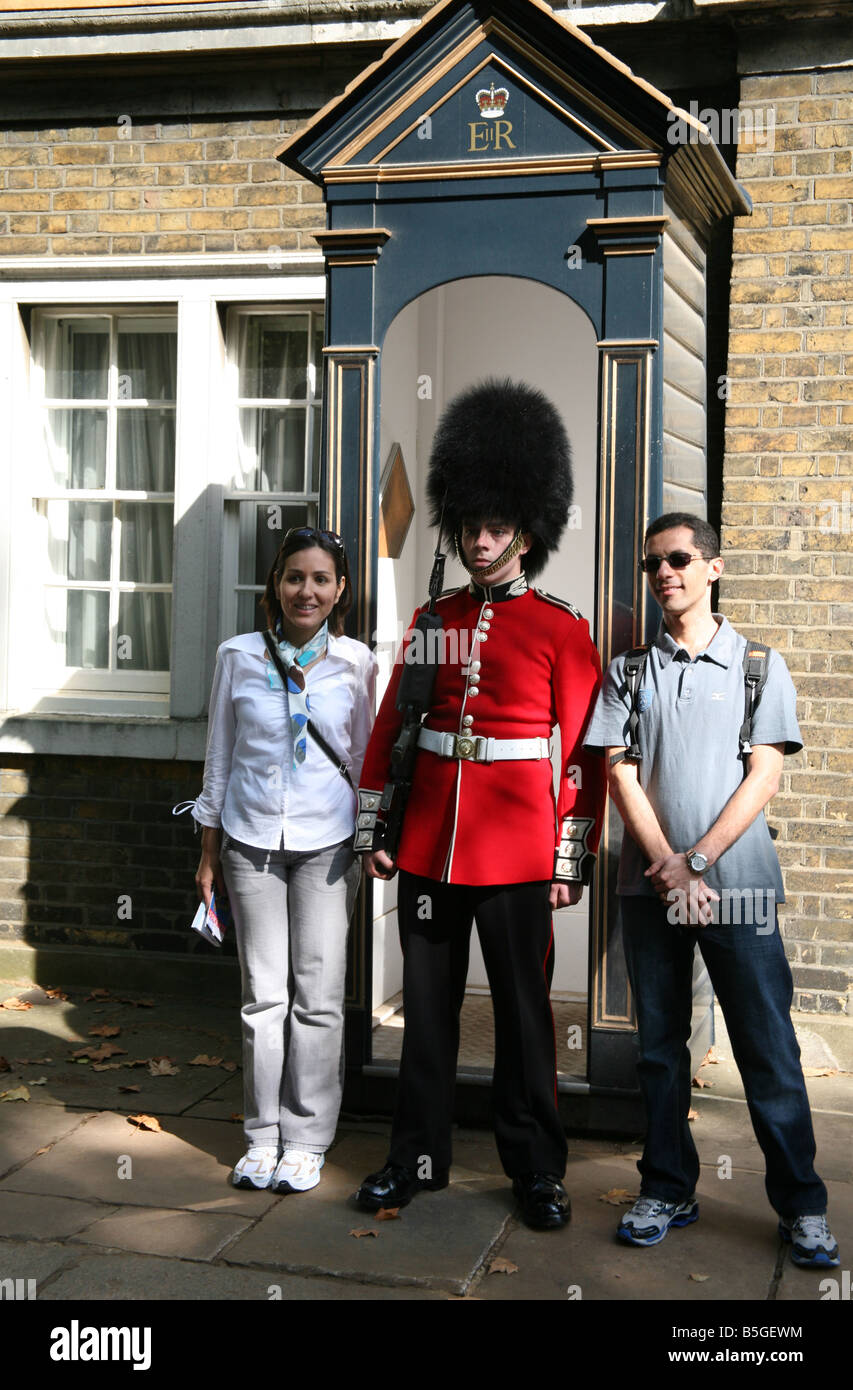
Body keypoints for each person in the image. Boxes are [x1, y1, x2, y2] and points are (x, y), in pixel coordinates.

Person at [354, 379, 605, 1230]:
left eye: (494, 527)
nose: (479, 540)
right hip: (427, 844)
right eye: (469, 527)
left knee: (523, 1020)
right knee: (426, 1018)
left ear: (524, 535)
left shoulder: (560, 630)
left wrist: (567, 861)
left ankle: (535, 1170)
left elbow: (580, 758)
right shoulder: (435, 617)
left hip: (516, 854)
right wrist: (376, 826)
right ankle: (413, 1159)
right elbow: (393, 726)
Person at [583, 511, 839, 1267]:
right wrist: (666, 864)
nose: (665, 572)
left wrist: (697, 863)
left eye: (680, 558)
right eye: (653, 563)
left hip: (741, 891)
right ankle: (666, 1187)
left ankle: (801, 1206)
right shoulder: (629, 669)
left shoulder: (759, 664)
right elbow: (617, 770)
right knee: (659, 1052)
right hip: (649, 889)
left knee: (767, 1050)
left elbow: (765, 771)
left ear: (713, 568)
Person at [192, 527, 377, 1194]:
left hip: (326, 848)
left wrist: (371, 839)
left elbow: (365, 763)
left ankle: (306, 1138)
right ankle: (261, 1136)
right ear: (275, 585)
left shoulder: (357, 664)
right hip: (249, 845)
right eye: (294, 577)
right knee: (262, 997)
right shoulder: (236, 656)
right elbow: (219, 757)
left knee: (318, 997)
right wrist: (209, 851)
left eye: (320, 579)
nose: (306, 590)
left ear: (339, 591)